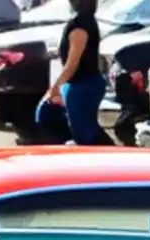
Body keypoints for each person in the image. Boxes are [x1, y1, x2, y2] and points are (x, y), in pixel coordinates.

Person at [43, 0, 104, 146]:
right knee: (84, 130)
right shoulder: (85, 20)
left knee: (84, 134)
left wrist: (56, 86)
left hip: (82, 85)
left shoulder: (80, 25)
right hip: (84, 83)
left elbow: (72, 64)